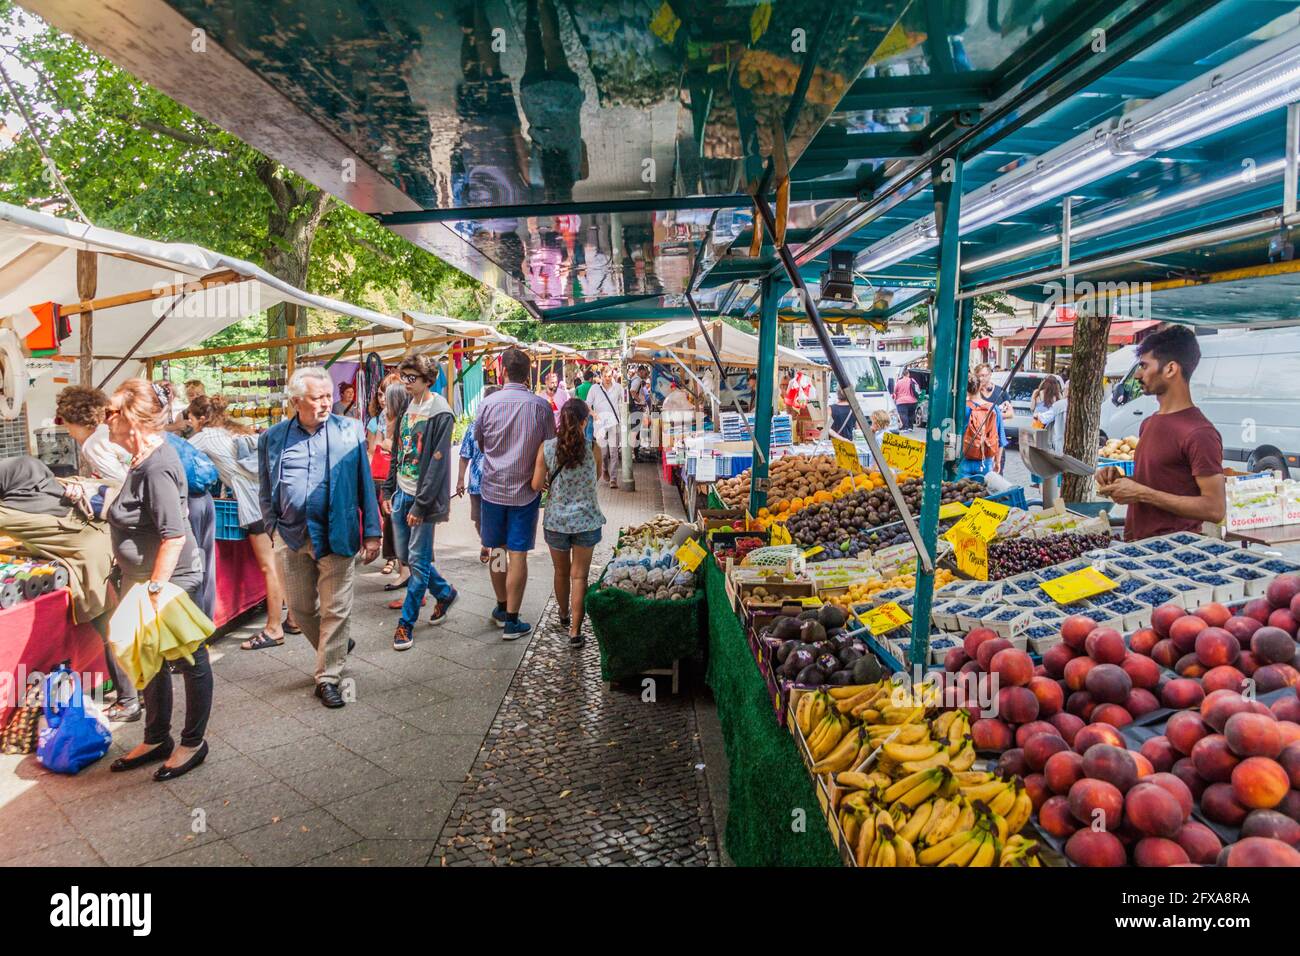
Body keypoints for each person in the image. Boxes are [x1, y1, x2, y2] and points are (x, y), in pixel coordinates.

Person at [104, 379, 211, 780]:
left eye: (111, 412)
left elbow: (174, 534)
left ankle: (192, 742)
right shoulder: (139, 460)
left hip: (169, 579)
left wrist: (153, 590)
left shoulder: (158, 464)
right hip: (143, 578)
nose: (106, 419)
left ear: (131, 418)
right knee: (149, 656)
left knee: (187, 657)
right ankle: (156, 737)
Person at [259, 367, 381, 707]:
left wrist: (372, 532)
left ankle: (328, 676)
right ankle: (336, 645)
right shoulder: (272, 437)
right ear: (297, 401)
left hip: (337, 533)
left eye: (328, 396)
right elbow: (266, 485)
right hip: (291, 535)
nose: (327, 403)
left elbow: (364, 484)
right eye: (318, 398)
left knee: (336, 609)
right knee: (299, 608)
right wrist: (271, 524)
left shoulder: (350, 431)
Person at [1097, 324, 1226, 540]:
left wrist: (1141, 492)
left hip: (1175, 554)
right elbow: (1163, 483)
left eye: (1144, 366)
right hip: (1138, 547)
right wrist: (1122, 482)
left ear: (1170, 369)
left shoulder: (1200, 433)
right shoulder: (1149, 423)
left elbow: (1214, 509)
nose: (1138, 374)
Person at [187, 395, 287, 651]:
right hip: (271, 497)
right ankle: (294, 620)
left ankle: (274, 628)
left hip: (254, 504)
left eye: (189, 418)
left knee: (269, 566)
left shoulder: (204, 436)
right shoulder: (233, 429)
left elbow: (179, 456)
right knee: (280, 562)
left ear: (200, 418)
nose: (188, 423)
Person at [474, 347, 556, 639]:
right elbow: (550, 447)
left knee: (497, 550)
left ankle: (500, 606)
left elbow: (480, 443)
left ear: (503, 372)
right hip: (526, 491)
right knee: (518, 553)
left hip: (493, 488)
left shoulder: (488, 404)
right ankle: (512, 619)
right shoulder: (541, 406)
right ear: (529, 374)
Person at [383, 354, 458, 651]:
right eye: (404, 377)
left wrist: (421, 506)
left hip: (421, 501)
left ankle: (406, 623)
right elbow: (398, 452)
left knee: (416, 564)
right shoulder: (406, 406)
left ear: (428, 379)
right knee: (408, 556)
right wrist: (389, 490)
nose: (406, 383)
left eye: (411, 378)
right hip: (401, 493)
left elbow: (438, 466)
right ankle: (445, 592)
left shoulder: (441, 413)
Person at [532, 399, 604, 646]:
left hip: (556, 521)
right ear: (585, 421)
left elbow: (535, 485)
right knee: (579, 577)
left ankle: (563, 615)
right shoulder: (594, 448)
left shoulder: (547, 448)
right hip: (587, 520)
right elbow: (597, 478)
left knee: (561, 572)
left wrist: (547, 483)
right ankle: (575, 630)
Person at [57, 385, 131, 485]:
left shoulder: (93, 444)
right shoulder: (105, 430)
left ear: (78, 422)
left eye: (68, 426)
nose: (69, 433)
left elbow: (118, 481)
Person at [458, 385, 499, 563]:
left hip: (500, 484)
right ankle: (487, 541)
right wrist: (460, 480)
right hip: (477, 483)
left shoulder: (505, 424)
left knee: (498, 520)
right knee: (478, 518)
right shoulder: (474, 426)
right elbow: (465, 455)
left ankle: (497, 556)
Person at [366, 374, 400, 576]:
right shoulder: (380, 417)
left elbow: (397, 446)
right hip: (382, 474)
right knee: (388, 517)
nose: (381, 398)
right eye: (379, 394)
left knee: (397, 517)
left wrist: (388, 445)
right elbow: (376, 445)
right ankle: (391, 557)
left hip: (401, 474)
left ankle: (402, 561)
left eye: (385, 393)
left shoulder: (407, 414)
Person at [379, 381, 412, 590]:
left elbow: (399, 461)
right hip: (399, 488)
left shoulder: (404, 425)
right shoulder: (396, 423)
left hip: (406, 489)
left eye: (387, 399)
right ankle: (407, 575)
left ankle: (440, 590)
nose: (384, 404)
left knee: (408, 540)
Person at [588, 365, 624, 490]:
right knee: (603, 453)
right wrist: (594, 415)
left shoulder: (618, 388)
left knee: (614, 452)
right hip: (599, 425)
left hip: (614, 423)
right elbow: (587, 405)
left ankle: (613, 479)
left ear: (613, 375)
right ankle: (604, 469)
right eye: (605, 376)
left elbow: (624, 404)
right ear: (601, 376)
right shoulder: (594, 389)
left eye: (609, 376)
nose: (607, 379)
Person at [959, 376, 1002, 477]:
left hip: (964, 458)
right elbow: (1000, 437)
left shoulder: (961, 408)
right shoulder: (993, 408)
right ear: (980, 387)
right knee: (983, 491)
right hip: (985, 460)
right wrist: (997, 461)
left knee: (960, 491)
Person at [976, 363, 1011, 473]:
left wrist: (994, 415)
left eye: (984, 375)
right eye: (979, 376)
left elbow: (1011, 413)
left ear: (990, 375)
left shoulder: (1000, 392)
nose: (982, 378)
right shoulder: (975, 392)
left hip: (996, 438)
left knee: (997, 475)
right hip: (978, 440)